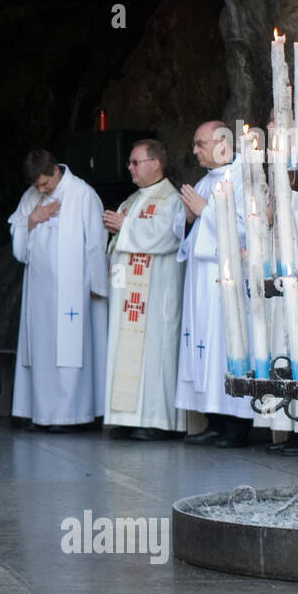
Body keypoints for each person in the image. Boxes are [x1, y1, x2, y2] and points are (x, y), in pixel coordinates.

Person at [8, 148, 108, 430]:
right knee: (41, 350)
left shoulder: (81, 193)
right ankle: (41, 414)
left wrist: (97, 284)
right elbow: (19, 241)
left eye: (45, 184)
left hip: (73, 291)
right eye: (36, 186)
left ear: (55, 171)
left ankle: (71, 416)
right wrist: (32, 220)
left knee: (70, 350)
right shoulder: (32, 197)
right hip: (39, 293)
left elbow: (96, 241)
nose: (41, 190)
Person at [174, 121, 255, 447]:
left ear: (222, 142)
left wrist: (204, 211)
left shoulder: (242, 177)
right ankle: (215, 420)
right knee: (203, 347)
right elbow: (182, 227)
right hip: (199, 282)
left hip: (226, 279)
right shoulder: (206, 181)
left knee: (226, 346)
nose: (194, 151)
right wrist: (190, 218)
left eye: (199, 143)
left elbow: (245, 227)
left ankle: (236, 425)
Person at [102, 139, 186, 440]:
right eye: (130, 163)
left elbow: (163, 238)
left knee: (155, 355)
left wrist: (124, 226)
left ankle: (155, 421)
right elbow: (119, 247)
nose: (130, 168)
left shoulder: (171, 200)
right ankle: (127, 419)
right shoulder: (132, 200)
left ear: (156, 164)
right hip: (130, 297)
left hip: (157, 295)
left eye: (136, 162)